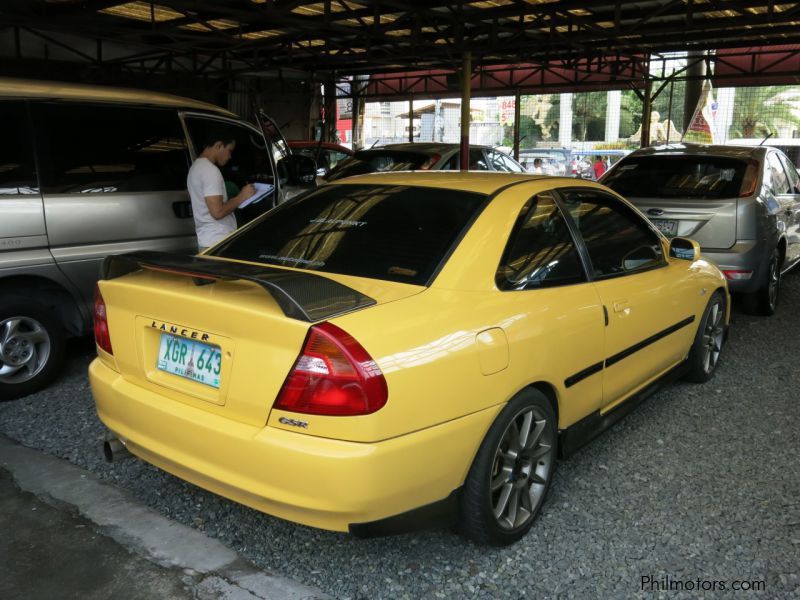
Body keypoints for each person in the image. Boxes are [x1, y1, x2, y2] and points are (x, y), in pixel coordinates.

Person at [187, 130, 255, 251]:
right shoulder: (210, 171)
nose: (230, 156)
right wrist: (242, 196)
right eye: (229, 150)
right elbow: (217, 212)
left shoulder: (195, 168)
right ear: (219, 145)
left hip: (206, 240)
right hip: (218, 241)